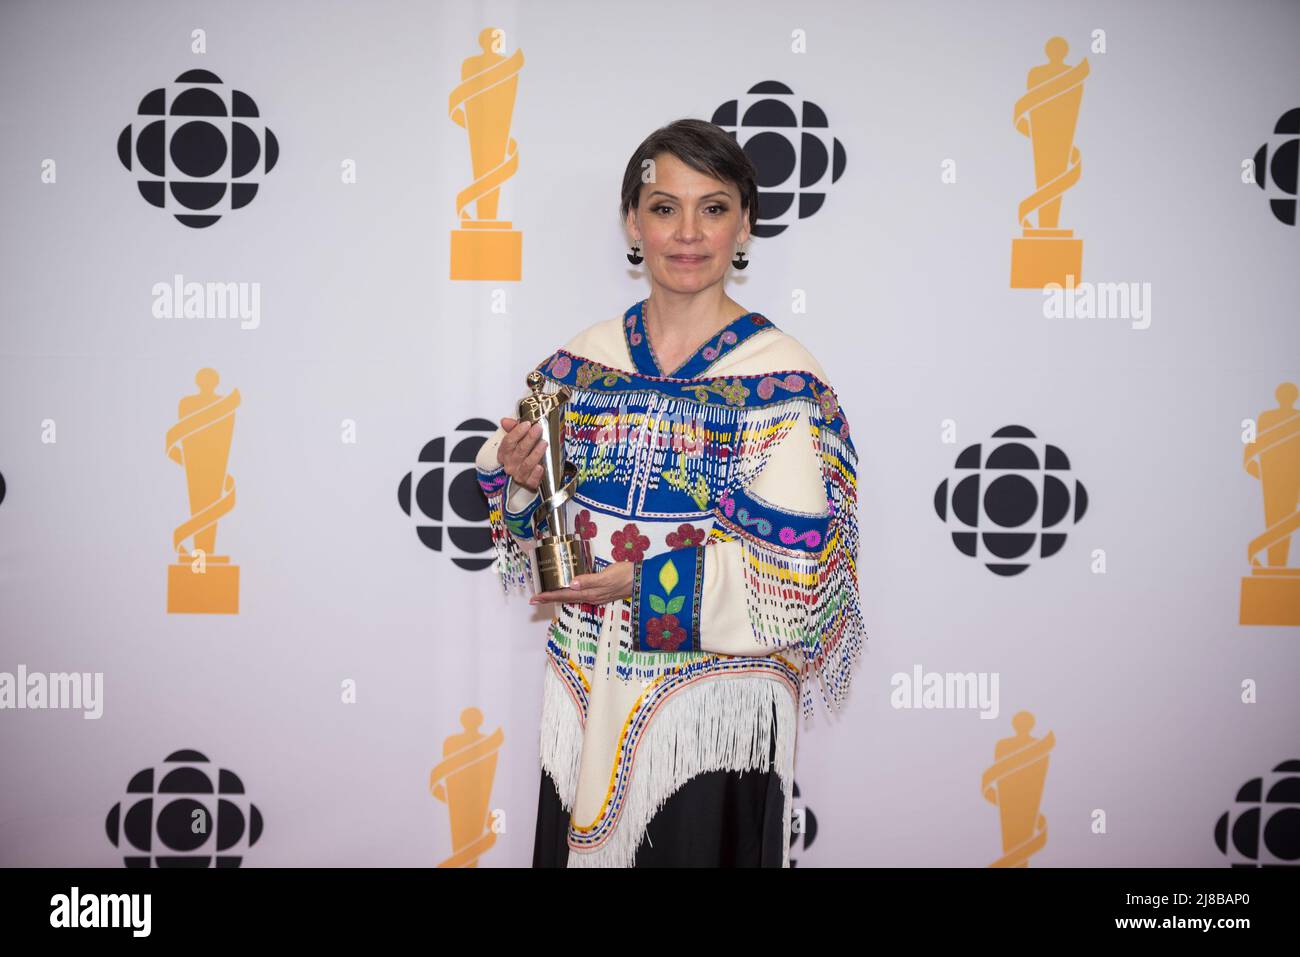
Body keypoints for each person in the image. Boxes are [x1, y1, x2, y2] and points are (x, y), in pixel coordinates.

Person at [473, 118, 865, 867]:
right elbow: (530, 537)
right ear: (633, 221)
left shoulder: (786, 383)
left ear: (745, 222)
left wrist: (646, 585)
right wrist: (524, 488)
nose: (688, 232)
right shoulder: (575, 366)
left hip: (711, 719)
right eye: (664, 207)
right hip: (587, 692)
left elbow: (800, 586)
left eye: (713, 207)